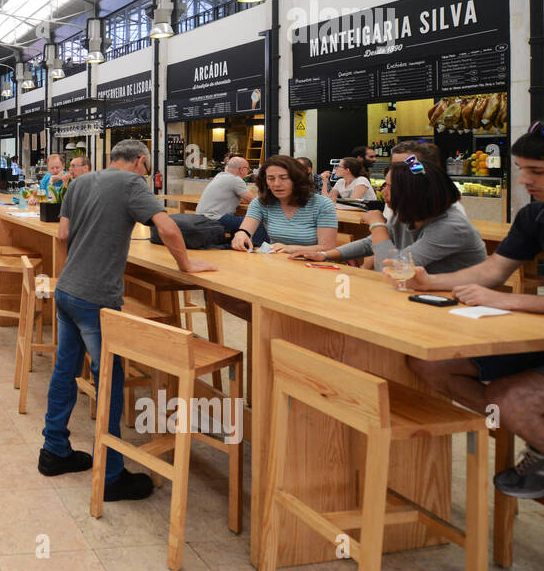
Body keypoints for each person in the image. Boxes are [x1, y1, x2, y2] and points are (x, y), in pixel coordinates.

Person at [40, 139, 217, 500]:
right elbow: (166, 227)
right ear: (140, 162)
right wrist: (186, 265)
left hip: (67, 290)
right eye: (146, 169)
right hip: (96, 298)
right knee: (110, 377)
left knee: (65, 371)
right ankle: (111, 477)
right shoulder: (132, 183)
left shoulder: (82, 181)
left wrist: (78, 266)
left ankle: (53, 451)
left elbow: (62, 235)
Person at [403, 129, 544, 499]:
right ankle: (534, 437)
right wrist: (429, 282)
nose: (525, 180)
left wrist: (512, 302)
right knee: (429, 363)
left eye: (538, 172)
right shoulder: (533, 216)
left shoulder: (448, 220)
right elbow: (491, 271)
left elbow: (499, 290)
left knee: (507, 395)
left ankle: (526, 428)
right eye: (521, 169)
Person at [287, 158, 486, 273]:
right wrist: (323, 256)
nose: (383, 191)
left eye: (389, 186)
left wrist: (377, 225)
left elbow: (394, 268)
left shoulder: (450, 226)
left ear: (412, 192)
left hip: (456, 304)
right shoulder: (409, 214)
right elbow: (369, 244)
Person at [230, 154, 338, 252]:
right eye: (271, 179)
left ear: (297, 180)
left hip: (315, 266)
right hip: (278, 264)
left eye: (284, 178)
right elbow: (245, 230)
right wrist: (241, 234)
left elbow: (327, 248)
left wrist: (290, 248)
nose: (276, 184)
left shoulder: (322, 204)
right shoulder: (261, 202)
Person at [196, 155, 260, 243]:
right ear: (241, 169)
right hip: (216, 218)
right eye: (247, 168)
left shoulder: (220, 176)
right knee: (255, 223)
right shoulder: (235, 180)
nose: (248, 171)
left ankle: (237, 242)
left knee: (240, 220)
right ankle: (257, 247)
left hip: (201, 217)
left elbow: (239, 199)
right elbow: (254, 200)